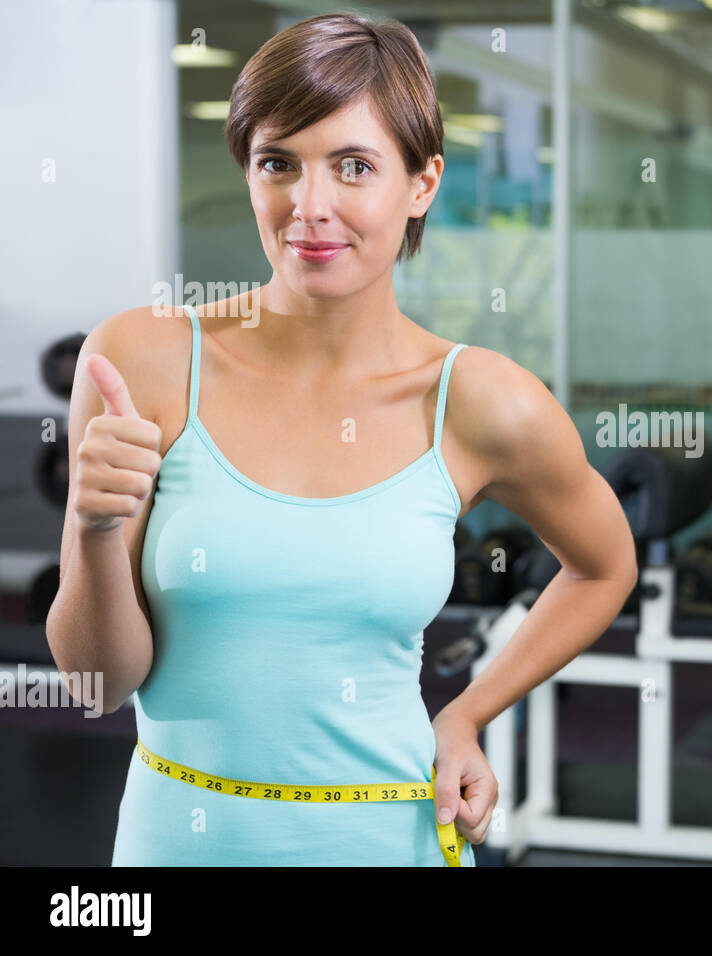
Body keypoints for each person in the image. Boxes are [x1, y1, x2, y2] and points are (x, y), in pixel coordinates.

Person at [44, 12, 638, 866]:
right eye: (277, 163)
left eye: (353, 167)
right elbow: (96, 686)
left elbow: (604, 564)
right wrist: (96, 530)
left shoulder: (477, 401)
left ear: (423, 183)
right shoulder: (140, 360)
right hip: (178, 843)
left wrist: (468, 712)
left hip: (386, 840)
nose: (309, 207)